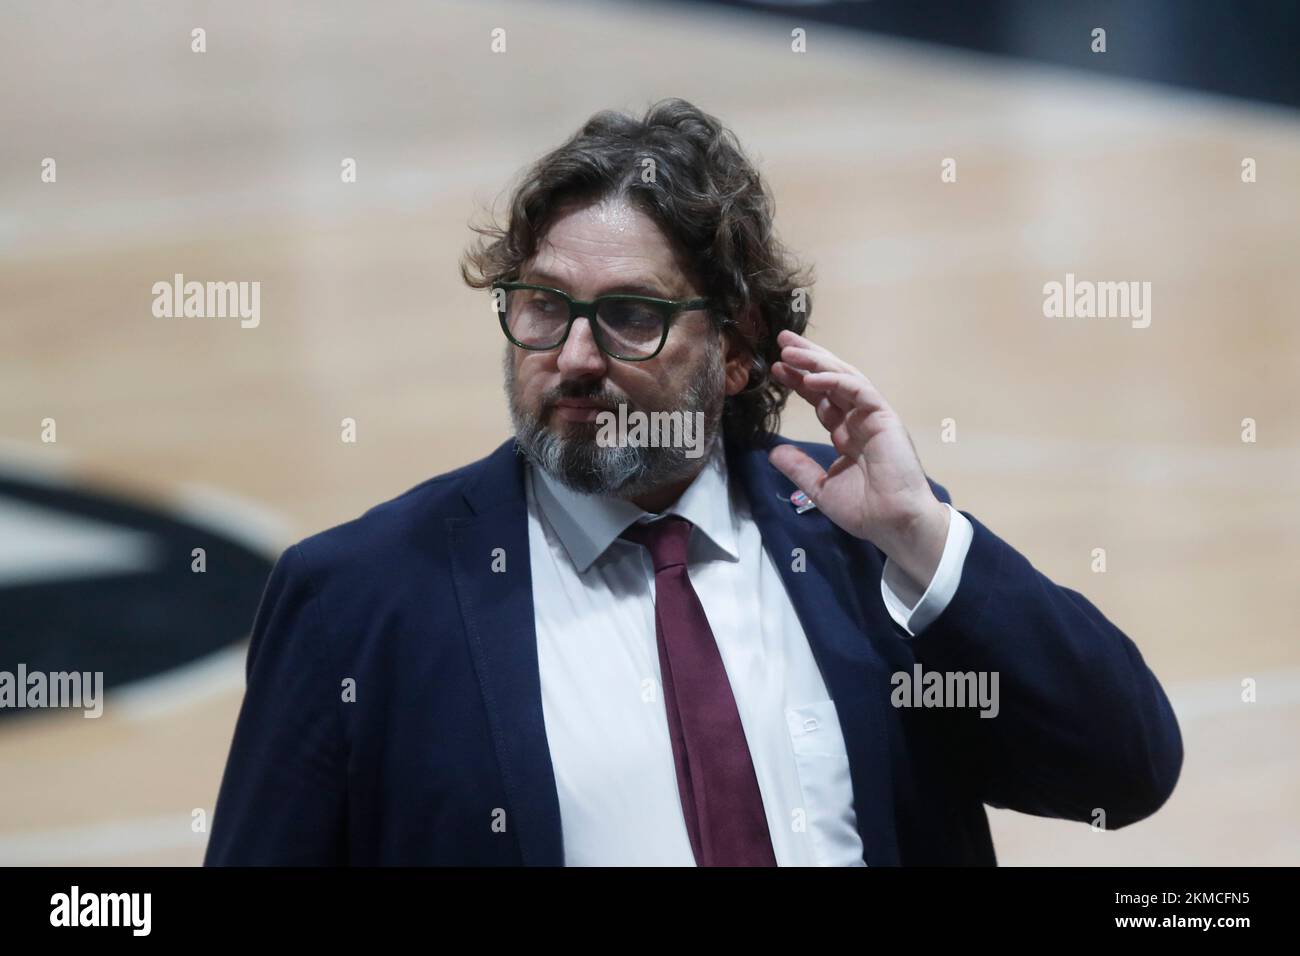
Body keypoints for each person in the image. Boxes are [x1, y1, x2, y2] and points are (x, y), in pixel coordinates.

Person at [204, 98, 1182, 866]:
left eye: (630, 314)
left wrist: (923, 539)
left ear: (742, 345)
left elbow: (1123, 767)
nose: (575, 355)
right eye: (542, 306)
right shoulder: (361, 596)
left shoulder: (859, 550)